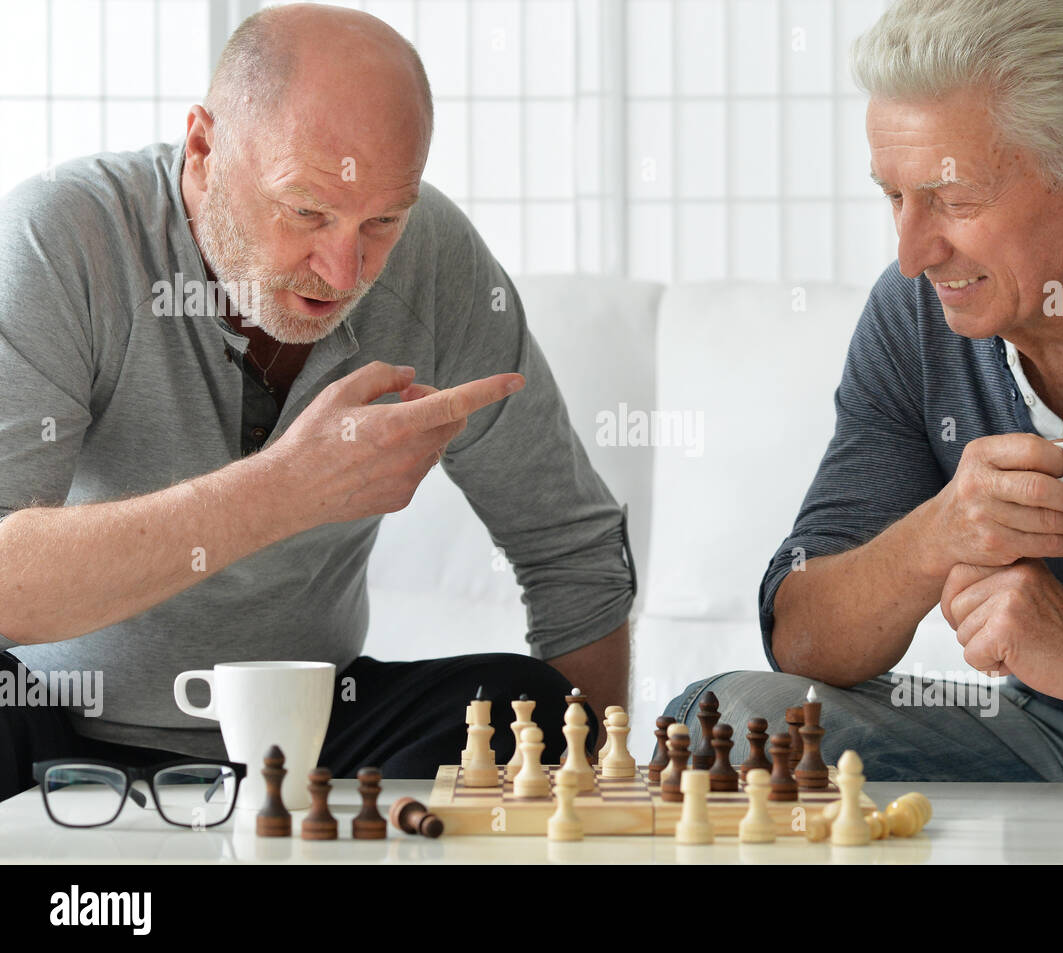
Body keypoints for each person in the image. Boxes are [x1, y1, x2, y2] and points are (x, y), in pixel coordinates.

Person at [667, 0, 1063, 824]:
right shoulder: (914, 319)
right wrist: (936, 535)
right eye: (894, 195)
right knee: (727, 723)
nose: (911, 252)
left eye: (952, 198)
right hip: (1033, 738)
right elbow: (801, 634)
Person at [0, 4, 633, 802]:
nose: (342, 272)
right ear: (204, 149)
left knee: (527, 709)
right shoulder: (61, 237)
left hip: (313, 733)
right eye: (306, 211)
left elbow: (570, 547)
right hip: (50, 720)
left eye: (381, 221)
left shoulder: (437, 260)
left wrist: (598, 796)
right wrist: (290, 488)